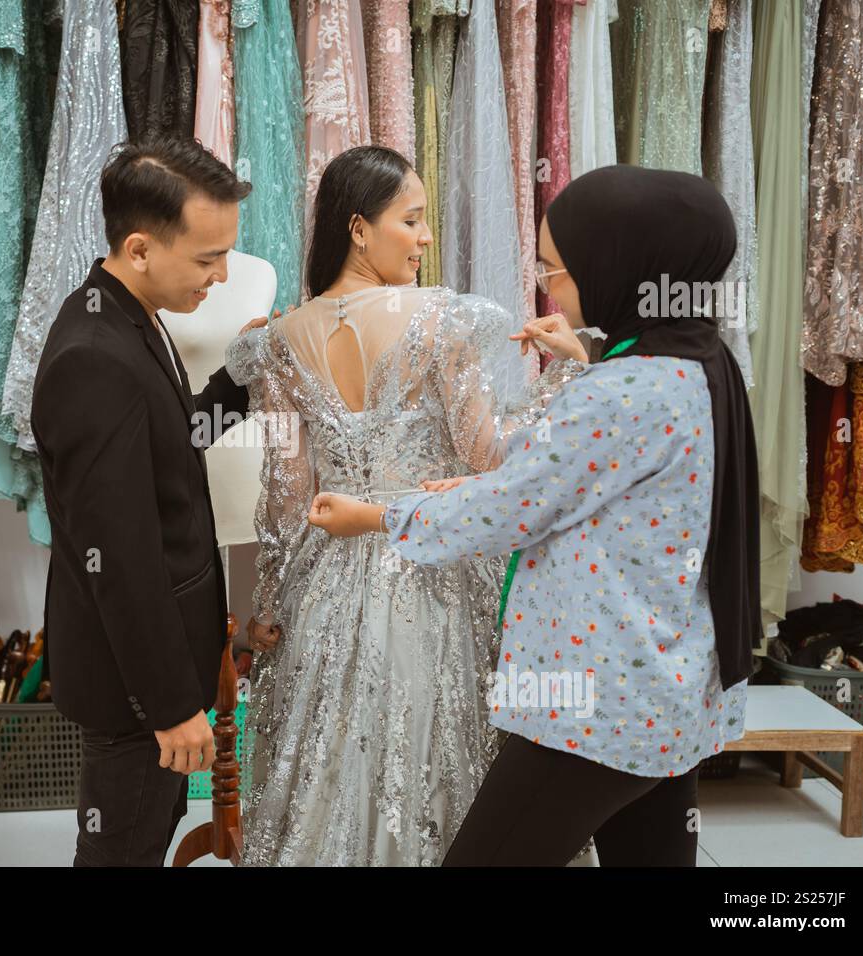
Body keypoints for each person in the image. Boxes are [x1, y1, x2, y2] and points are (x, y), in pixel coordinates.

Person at [309, 164, 759, 866]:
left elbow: (512, 507)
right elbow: (582, 475)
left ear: (618, 267)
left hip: (595, 704)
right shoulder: (700, 362)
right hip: (665, 687)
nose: (549, 287)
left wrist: (376, 515)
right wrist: (583, 355)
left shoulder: (622, 391)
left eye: (559, 271)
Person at [226, 145, 588, 865]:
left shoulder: (278, 340)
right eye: (413, 221)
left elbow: (288, 494)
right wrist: (567, 381)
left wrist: (267, 604)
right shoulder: (441, 321)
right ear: (359, 228)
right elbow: (489, 454)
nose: (426, 238)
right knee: (441, 759)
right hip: (433, 568)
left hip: (326, 583)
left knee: (329, 766)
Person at [30, 136, 269, 866]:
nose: (222, 276)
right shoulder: (93, 359)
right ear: (138, 248)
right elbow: (123, 559)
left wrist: (242, 376)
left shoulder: (128, 313)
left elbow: (171, 439)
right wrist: (170, 708)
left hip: (154, 677)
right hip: (137, 694)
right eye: (207, 259)